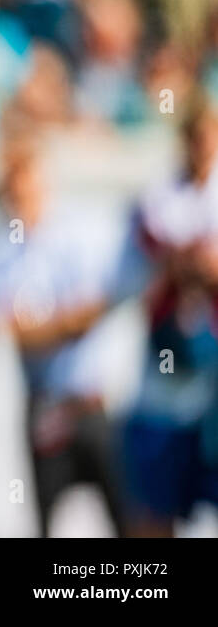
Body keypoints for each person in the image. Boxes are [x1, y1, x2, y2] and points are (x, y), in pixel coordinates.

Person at [0, 127, 131, 536]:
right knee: (45, 518)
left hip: (94, 404)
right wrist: (59, 322)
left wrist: (42, 324)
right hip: (44, 406)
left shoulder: (82, 228)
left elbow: (93, 311)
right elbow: (2, 324)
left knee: (128, 516)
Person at [123, 94, 218, 535]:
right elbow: (160, 251)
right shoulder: (161, 193)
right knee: (156, 500)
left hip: (210, 365)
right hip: (170, 363)